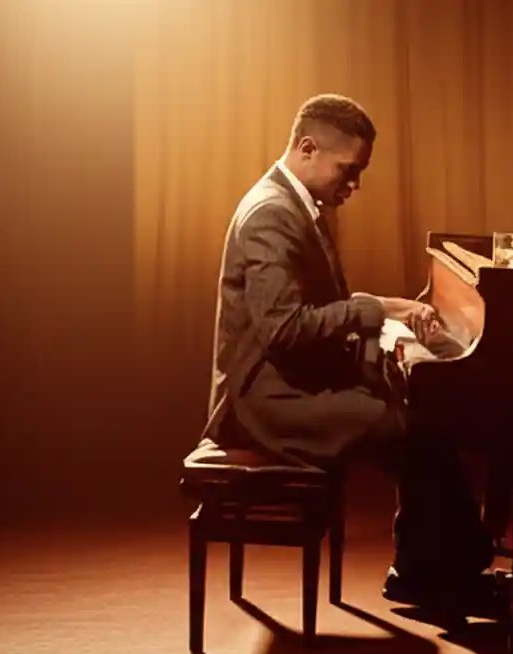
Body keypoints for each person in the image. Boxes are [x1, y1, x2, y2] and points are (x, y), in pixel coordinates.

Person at [202, 93, 494, 607]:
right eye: (348, 170)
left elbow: (316, 308)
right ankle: (440, 573)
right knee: (407, 428)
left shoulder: (292, 203)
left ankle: (435, 569)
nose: (354, 184)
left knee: (417, 413)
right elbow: (285, 329)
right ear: (307, 148)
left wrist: (390, 309)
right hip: (261, 401)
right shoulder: (271, 215)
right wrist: (374, 312)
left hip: (286, 377)